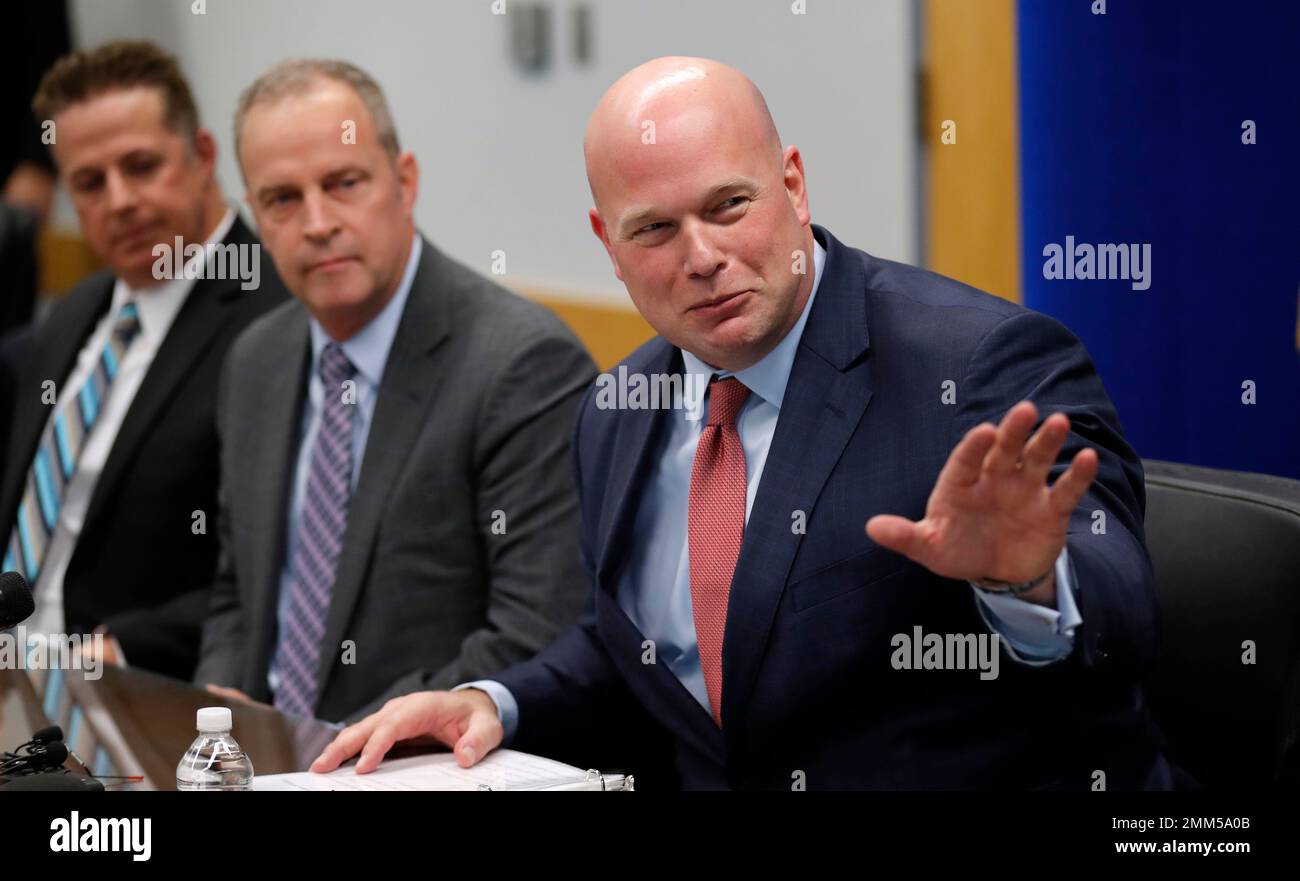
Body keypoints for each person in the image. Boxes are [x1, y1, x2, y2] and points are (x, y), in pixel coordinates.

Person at [311, 56, 1170, 789]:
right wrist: (491, 703)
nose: (701, 258)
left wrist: (1028, 584)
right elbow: (639, 654)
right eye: (653, 229)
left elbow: (1124, 612)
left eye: (728, 206)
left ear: (793, 184)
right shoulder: (617, 409)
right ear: (607, 245)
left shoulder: (977, 362)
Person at [194, 60, 596, 724]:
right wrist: (218, 707)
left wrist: (330, 751)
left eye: (343, 183)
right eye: (282, 198)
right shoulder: (254, 361)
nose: (317, 221)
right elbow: (237, 591)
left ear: (403, 182)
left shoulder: (521, 365)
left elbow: (536, 632)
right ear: (255, 217)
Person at [0, 41, 286, 679]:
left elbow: (289, 567)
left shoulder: (280, 319)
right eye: (90, 183)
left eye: (141, 166)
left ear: (204, 156)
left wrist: (120, 652)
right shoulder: (73, 314)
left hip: (133, 694)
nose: (120, 200)